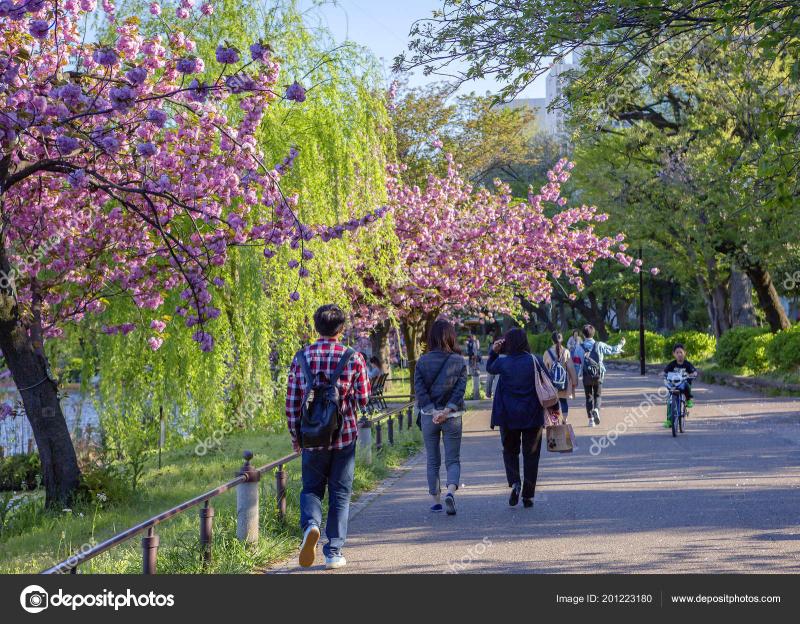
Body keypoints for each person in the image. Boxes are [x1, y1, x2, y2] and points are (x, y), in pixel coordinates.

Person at [285, 304, 370, 570]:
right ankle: (333, 552)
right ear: (342, 328)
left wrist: (296, 435)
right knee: (340, 494)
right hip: (343, 436)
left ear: (316, 327)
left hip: (312, 437)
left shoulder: (302, 357)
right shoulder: (353, 357)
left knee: (311, 488)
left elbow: (292, 402)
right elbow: (364, 399)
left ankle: (311, 525)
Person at [486, 328, 546, 509]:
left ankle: (515, 483)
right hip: (533, 416)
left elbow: (489, 367)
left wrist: (493, 351)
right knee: (531, 455)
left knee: (510, 451)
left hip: (508, 416)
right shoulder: (535, 361)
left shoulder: (503, 363)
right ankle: (528, 496)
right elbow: (548, 381)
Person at [415, 319, 468, 515]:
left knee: (432, 459)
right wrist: (446, 411)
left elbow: (419, 391)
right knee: (453, 459)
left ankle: (436, 501)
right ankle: (451, 492)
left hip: (429, 417)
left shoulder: (422, 361)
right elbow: (460, 390)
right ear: (450, 336)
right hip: (452, 416)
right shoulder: (459, 361)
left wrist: (434, 411)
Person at [573, 324, 625, 428]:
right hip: (598, 374)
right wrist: (621, 344)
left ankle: (591, 420)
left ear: (583, 334)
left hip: (586, 375)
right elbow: (612, 350)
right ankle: (596, 409)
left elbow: (576, 362)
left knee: (588, 397)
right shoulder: (599, 344)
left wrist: (576, 375)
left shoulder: (579, 347)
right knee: (598, 395)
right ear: (594, 333)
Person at [543, 331, 578, 417]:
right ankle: (565, 420)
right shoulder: (566, 351)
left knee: (553, 403)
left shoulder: (547, 352)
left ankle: (555, 421)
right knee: (563, 401)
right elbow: (571, 368)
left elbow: (544, 369)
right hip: (563, 382)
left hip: (551, 384)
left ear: (552, 340)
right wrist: (574, 381)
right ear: (561, 339)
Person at [663, 343, 699, 427]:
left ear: (684, 353)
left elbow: (694, 371)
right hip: (674, 385)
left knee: (687, 385)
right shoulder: (672, 364)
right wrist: (663, 374)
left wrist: (694, 374)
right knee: (669, 402)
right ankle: (669, 421)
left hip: (684, 385)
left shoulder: (687, 364)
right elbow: (665, 371)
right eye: (677, 352)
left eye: (681, 352)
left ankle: (689, 399)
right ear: (674, 354)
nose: (679, 354)